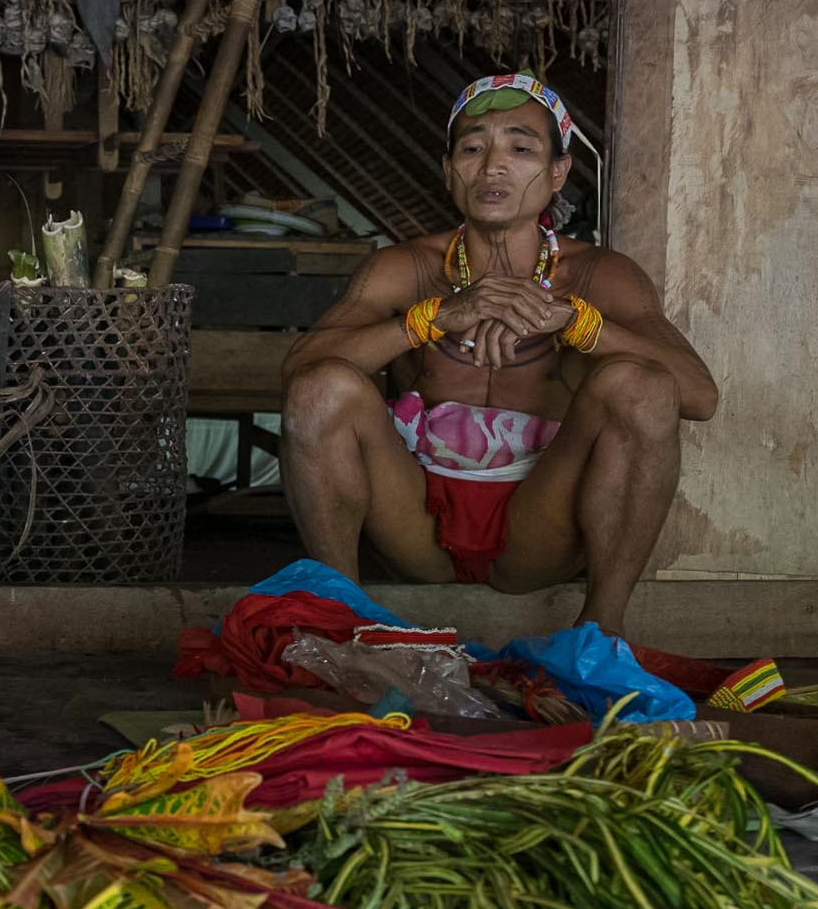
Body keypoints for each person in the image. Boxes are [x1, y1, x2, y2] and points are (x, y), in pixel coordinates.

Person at [278, 72, 717, 636]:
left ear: (557, 172)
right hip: (416, 519)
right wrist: (433, 316)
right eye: (473, 147)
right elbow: (300, 372)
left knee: (643, 386)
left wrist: (577, 322)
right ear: (448, 171)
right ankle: (341, 623)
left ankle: (600, 637)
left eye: (520, 147)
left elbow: (699, 397)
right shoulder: (407, 267)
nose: (493, 166)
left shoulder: (597, 274)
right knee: (322, 388)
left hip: (542, 526)